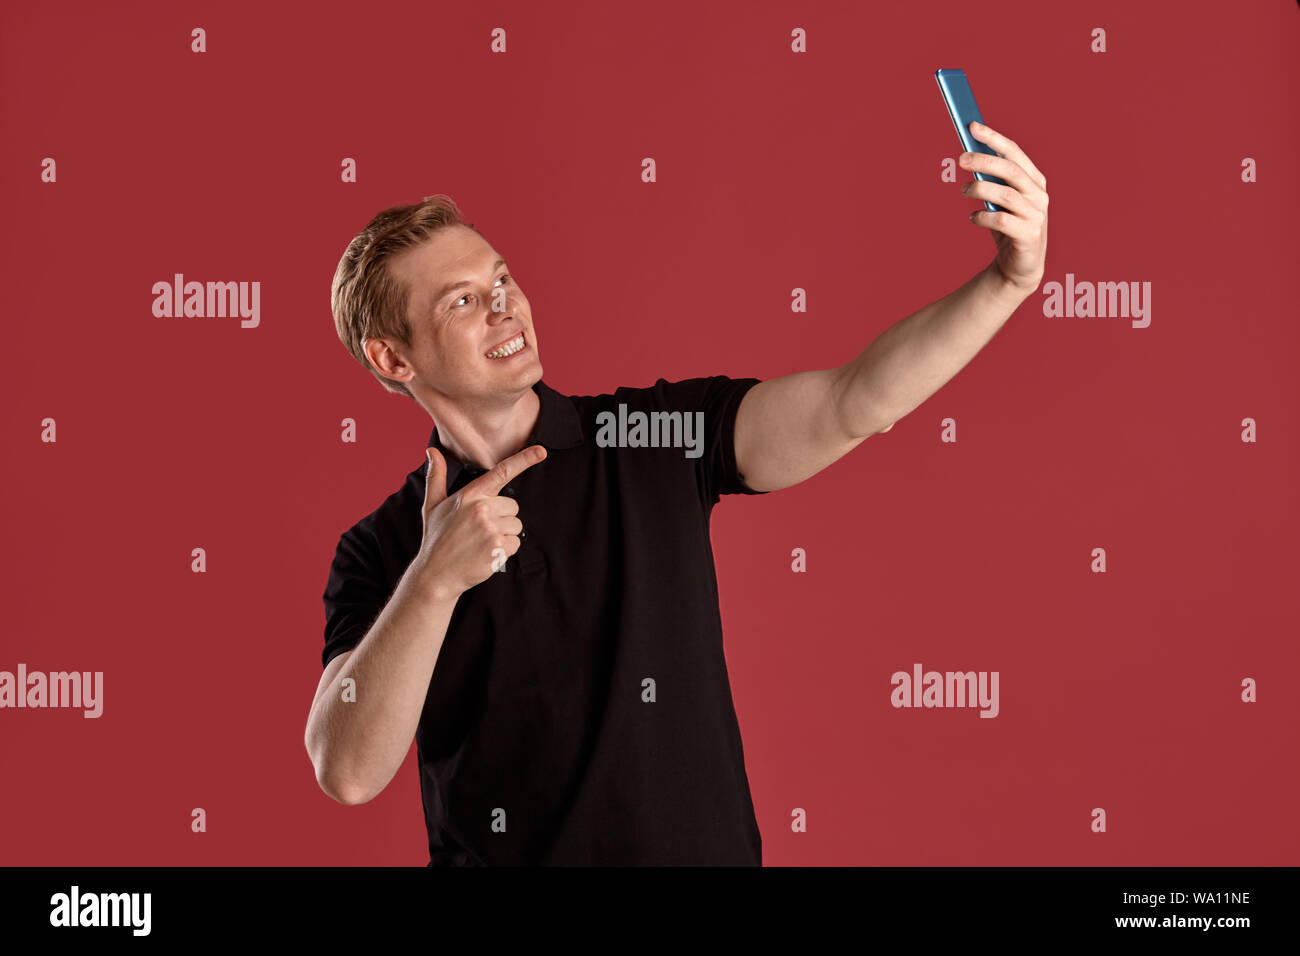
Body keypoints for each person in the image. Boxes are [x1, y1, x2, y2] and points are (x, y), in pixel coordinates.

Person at [304, 122, 1048, 865]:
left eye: (500, 279)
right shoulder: (382, 548)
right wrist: (432, 583)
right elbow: (347, 771)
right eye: (461, 302)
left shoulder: (649, 437)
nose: (504, 307)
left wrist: (1006, 283)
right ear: (392, 357)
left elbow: (852, 401)